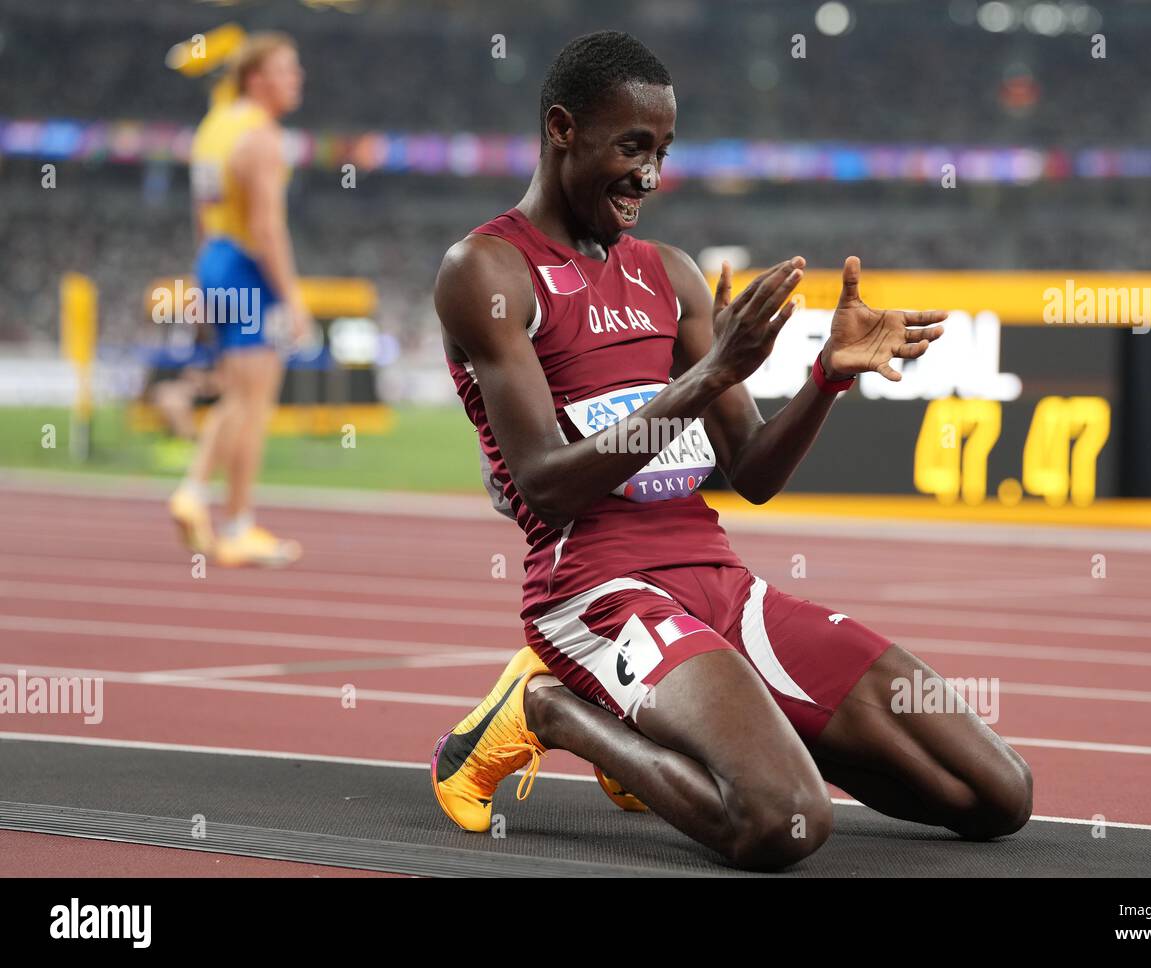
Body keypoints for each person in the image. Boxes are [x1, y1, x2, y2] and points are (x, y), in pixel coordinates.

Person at [432, 31, 1031, 871]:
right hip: (597, 592)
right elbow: (543, 486)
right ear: (562, 128)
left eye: (664, 151)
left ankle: (731, 729)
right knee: (783, 824)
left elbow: (751, 475)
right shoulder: (487, 270)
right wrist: (711, 372)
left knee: (997, 796)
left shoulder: (669, 275)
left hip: (722, 585)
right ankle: (555, 708)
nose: (650, 174)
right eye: (631, 145)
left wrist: (826, 376)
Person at [168, 32, 309, 567]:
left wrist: (204, 278)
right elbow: (266, 227)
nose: (297, 79)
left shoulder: (212, 129)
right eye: (287, 69)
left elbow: (206, 217)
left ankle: (220, 509)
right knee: (252, 399)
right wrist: (291, 296)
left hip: (216, 261)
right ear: (257, 78)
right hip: (247, 267)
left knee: (239, 394)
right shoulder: (262, 136)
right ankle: (216, 505)